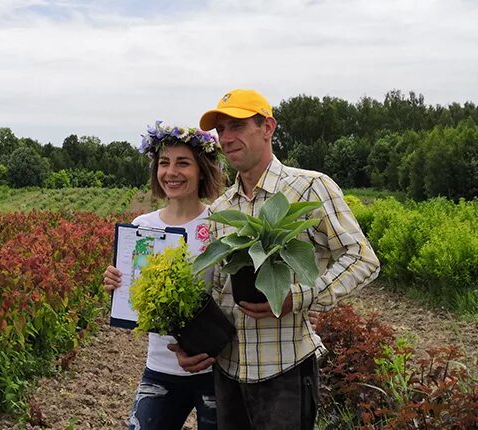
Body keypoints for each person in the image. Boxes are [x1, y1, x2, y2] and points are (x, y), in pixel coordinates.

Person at [167, 89, 381, 429]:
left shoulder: (310, 188)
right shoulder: (222, 209)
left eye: (236, 126)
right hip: (229, 371)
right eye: (221, 130)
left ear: (267, 127)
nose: (226, 137)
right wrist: (192, 341)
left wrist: (299, 296)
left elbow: (361, 257)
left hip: (284, 369)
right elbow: (221, 290)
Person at [103, 121, 226, 430]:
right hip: (160, 367)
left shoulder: (220, 224)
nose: (171, 172)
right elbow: (135, 295)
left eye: (183, 163)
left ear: (202, 169)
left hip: (214, 369)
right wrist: (117, 285)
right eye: (164, 163)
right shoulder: (142, 225)